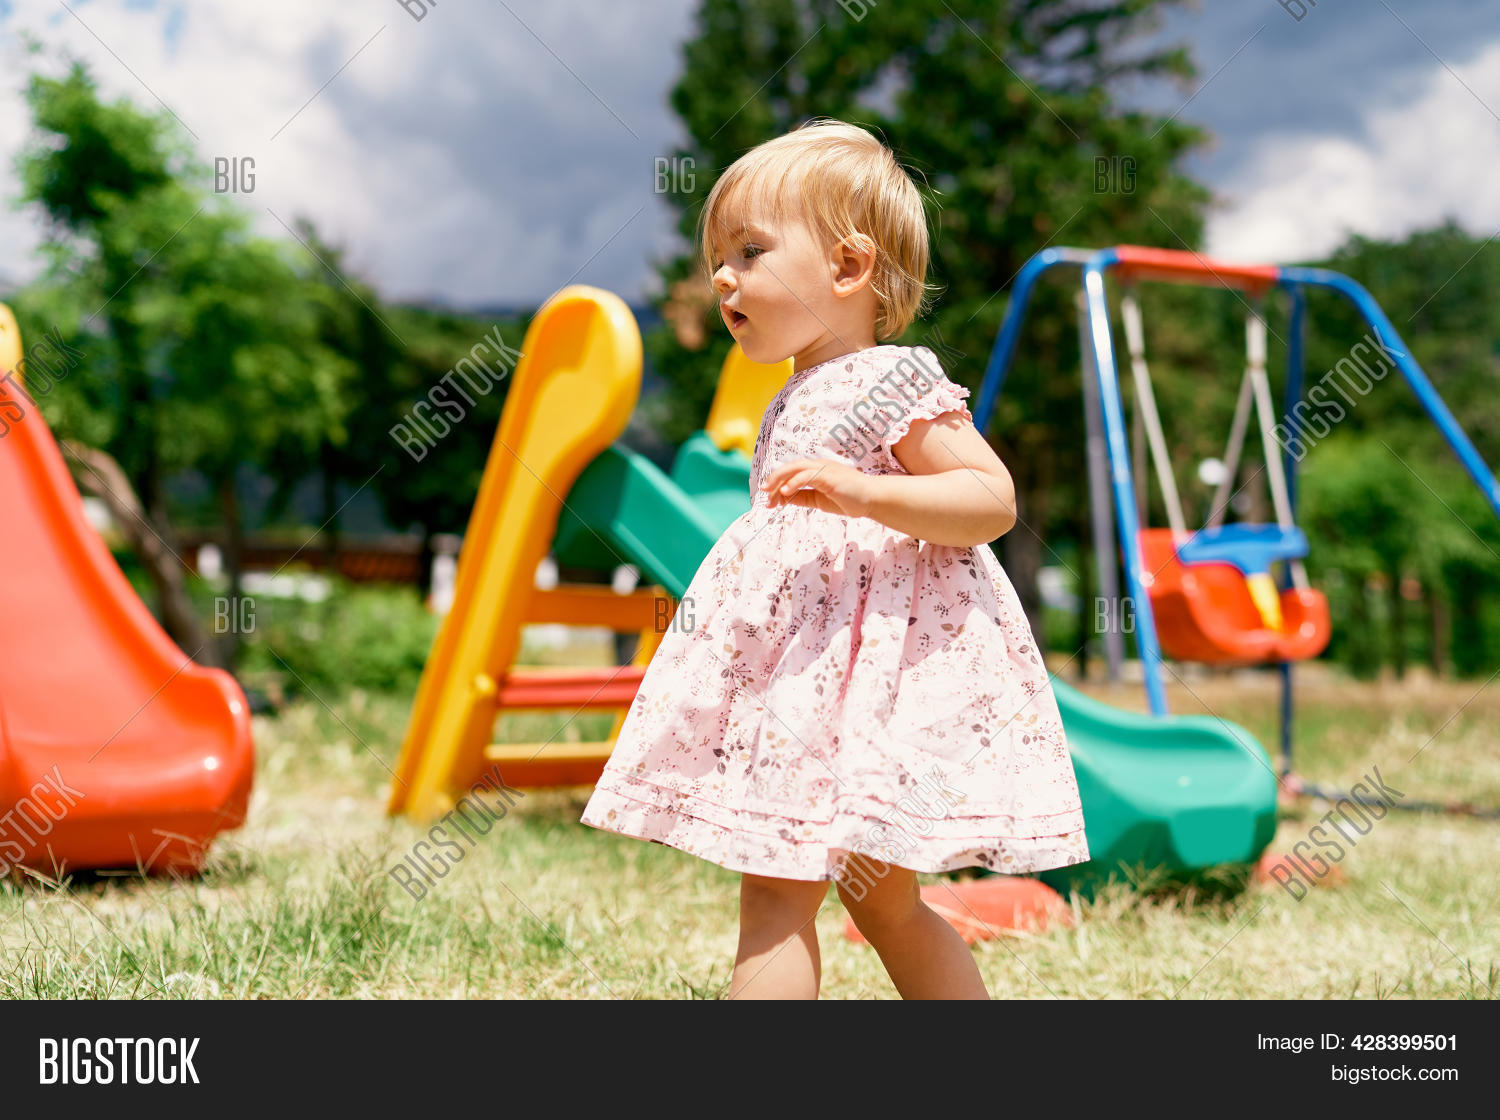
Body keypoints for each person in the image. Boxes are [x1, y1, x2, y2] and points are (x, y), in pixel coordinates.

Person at [581, 119, 1087, 999]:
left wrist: (865, 493)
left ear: (849, 269)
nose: (723, 277)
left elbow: (991, 501)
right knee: (856, 901)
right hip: (810, 693)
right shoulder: (794, 394)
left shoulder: (890, 379)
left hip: (869, 690)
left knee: (802, 901)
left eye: (749, 250)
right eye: (717, 258)